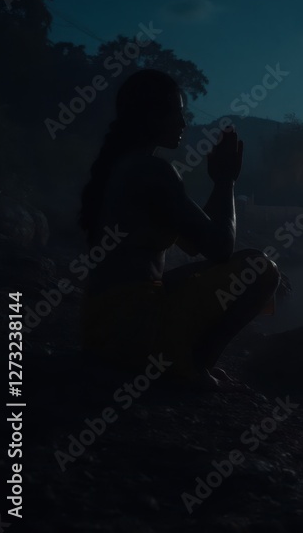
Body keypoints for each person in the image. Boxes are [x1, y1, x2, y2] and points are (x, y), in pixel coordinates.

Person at [77, 68, 279, 389]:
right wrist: (226, 180)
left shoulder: (126, 166)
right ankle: (194, 367)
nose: (184, 123)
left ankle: (182, 361)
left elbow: (197, 241)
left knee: (193, 274)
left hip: (104, 326)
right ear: (149, 117)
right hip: (133, 328)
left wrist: (218, 182)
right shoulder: (153, 170)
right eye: (178, 113)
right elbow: (220, 247)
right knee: (261, 269)